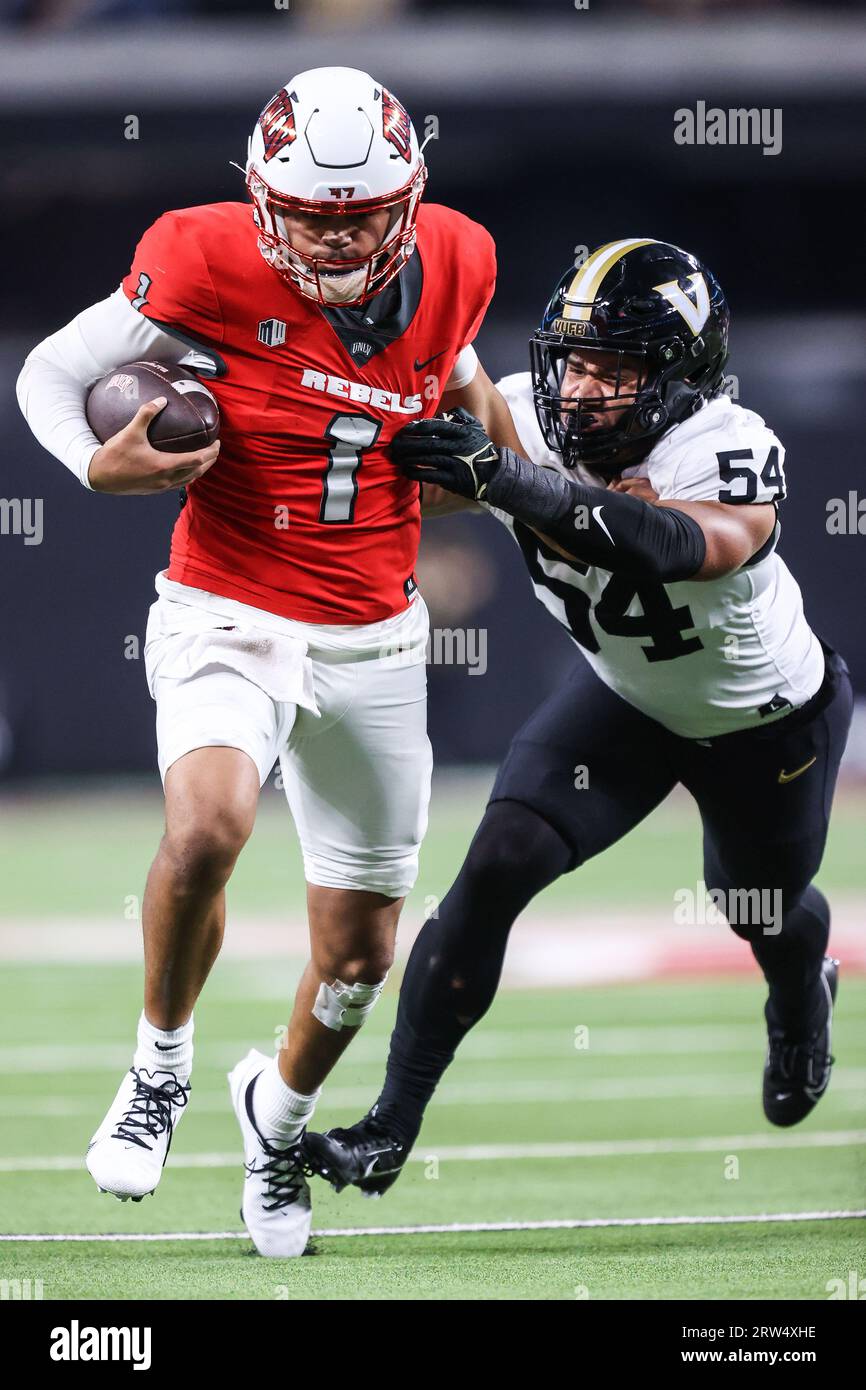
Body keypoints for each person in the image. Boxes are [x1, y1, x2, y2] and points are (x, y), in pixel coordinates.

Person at [16, 66, 520, 1256]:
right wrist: (97, 468)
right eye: (313, 215)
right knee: (208, 826)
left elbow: (460, 412)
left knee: (357, 959)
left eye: (361, 215)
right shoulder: (195, 258)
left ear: (406, 199)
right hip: (226, 606)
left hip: (376, 630)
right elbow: (49, 371)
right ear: (260, 199)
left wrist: (517, 482)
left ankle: (275, 1118)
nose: (339, 239)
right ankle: (160, 1064)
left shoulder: (456, 258)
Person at [300, 237, 853, 1198]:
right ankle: (390, 1126)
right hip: (626, 695)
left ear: (683, 379)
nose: (585, 390)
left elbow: (683, 544)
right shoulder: (523, 414)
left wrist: (511, 480)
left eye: (618, 368)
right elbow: (394, 481)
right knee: (498, 862)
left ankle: (802, 990)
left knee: (754, 907)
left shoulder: (725, 445)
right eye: (577, 362)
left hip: (760, 721)